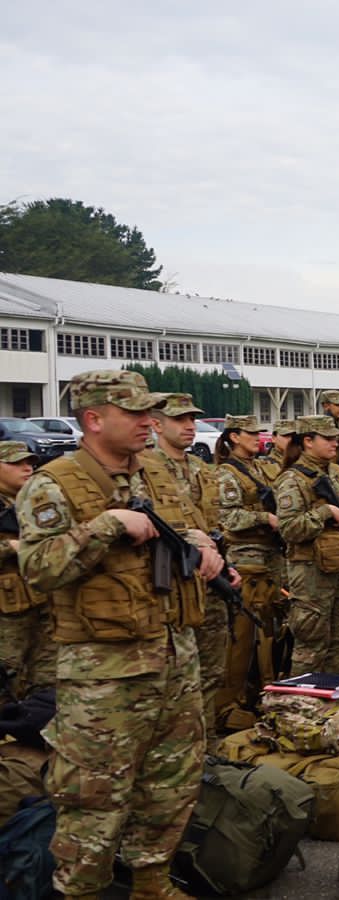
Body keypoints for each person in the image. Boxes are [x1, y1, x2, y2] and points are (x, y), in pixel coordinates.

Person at [17, 370, 216, 899]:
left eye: (149, 411)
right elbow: (37, 568)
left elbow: (183, 531)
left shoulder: (155, 473)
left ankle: (152, 882)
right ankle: (82, 890)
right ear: (94, 418)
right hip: (105, 675)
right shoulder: (53, 483)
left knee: (170, 784)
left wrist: (202, 546)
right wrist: (106, 526)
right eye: (134, 413)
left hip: (175, 657)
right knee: (93, 796)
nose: (148, 422)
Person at [143, 392, 238, 738]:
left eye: (191, 419)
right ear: (155, 424)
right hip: (172, 585)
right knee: (176, 678)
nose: (189, 426)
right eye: (179, 420)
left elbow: (216, 525)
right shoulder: (145, 469)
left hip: (210, 581)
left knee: (212, 671)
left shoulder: (200, 468)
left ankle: (207, 746)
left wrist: (226, 564)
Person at [274, 415, 339, 675]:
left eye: (335, 437)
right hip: (311, 574)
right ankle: (301, 707)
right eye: (327, 438)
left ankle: (335, 701)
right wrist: (324, 513)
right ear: (308, 441)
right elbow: (289, 529)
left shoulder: (338, 473)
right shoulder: (292, 480)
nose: (335, 443)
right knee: (311, 645)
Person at [213, 414, 283, 723]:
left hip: (270, 560)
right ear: (233, 437)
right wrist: (263, 519)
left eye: (259, 432)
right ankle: (231, 703)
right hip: (246, 561)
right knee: (243, 637)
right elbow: (227, 518)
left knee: (268, 634)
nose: (257, 437)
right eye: (250, 433)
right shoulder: (227, 474)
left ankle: (258, 694)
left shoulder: (261, 468)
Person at [0, 441, 52, 700]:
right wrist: (9, 546)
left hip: (41, 602)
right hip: (7, 612)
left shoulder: (33, 500)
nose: (26, 468)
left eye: (29, 462)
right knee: (6, 675)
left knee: (45, 677)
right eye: (16, 463)